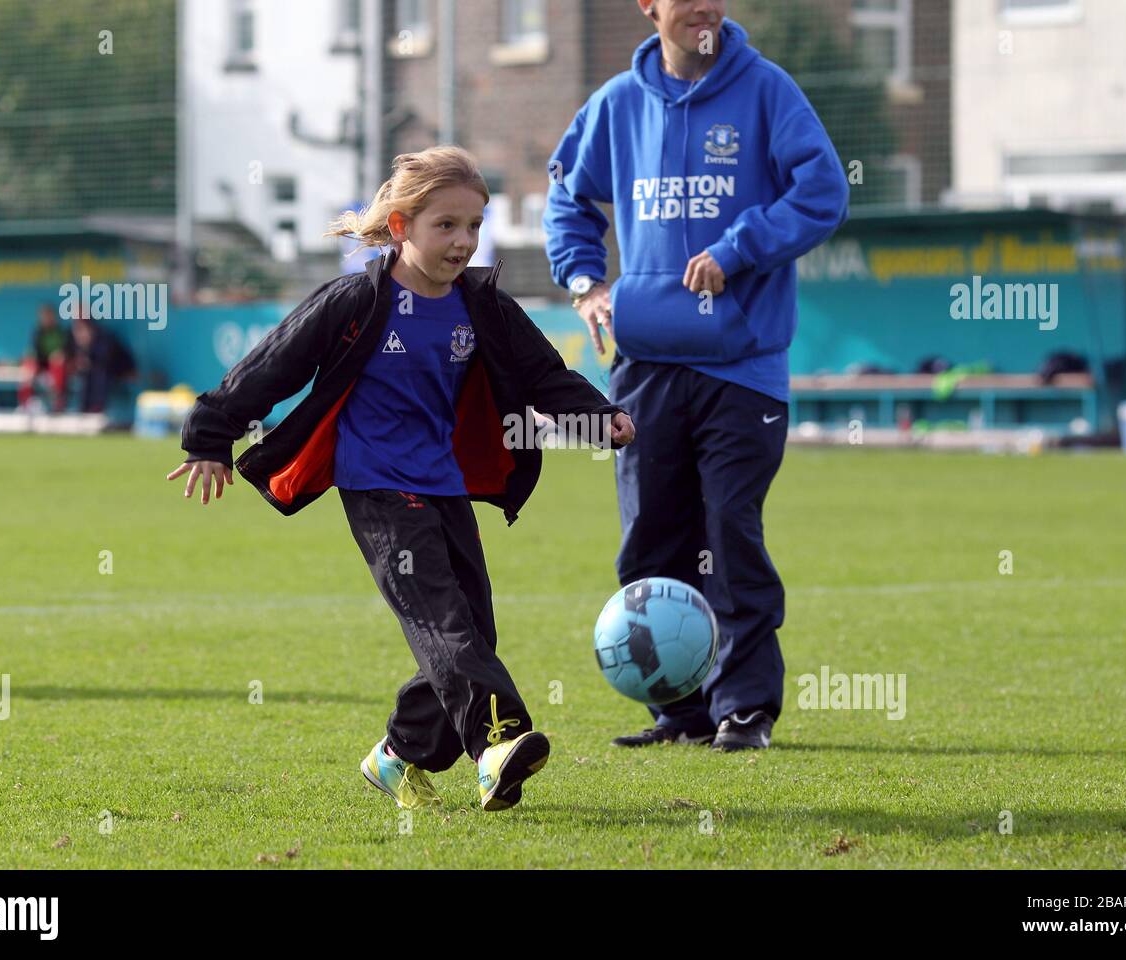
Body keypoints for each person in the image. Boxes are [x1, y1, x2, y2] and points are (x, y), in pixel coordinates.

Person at [168, 146, 635, 810]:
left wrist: (600, 417)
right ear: (399, 228)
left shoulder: (481, 306)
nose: (463, 241)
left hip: (443, 484)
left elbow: (543, 376)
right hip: (378, 488)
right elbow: (272, 365)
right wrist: (210, 436)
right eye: (445, 225)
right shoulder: (358, 300)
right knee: (446, 622)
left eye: (473, 226)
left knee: (471, 630)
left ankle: (397, 756)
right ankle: (498, 741)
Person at [544, 0, 849, 751]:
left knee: (728, 533)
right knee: (650, 541)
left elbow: (822, 191)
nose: (703, 5)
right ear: (650, 5)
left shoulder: (768, 89)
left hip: (743, 366)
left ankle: (744, 707)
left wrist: (739, 247)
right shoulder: (615, 105)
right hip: (645, 363)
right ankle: (674, 705)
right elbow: (568, 197)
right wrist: (585, 283)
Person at [18, 304, 74, 412]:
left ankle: (58, 402)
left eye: (48, 315)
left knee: (57, 361)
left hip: (58, 367)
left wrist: (60, 354)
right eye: (43, 316)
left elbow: (68, 351)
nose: (45, 319)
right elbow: (34, 351)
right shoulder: (38, 332)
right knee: (28, 366)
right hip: (42, 365)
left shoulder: (62, 332)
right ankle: (25, 404)